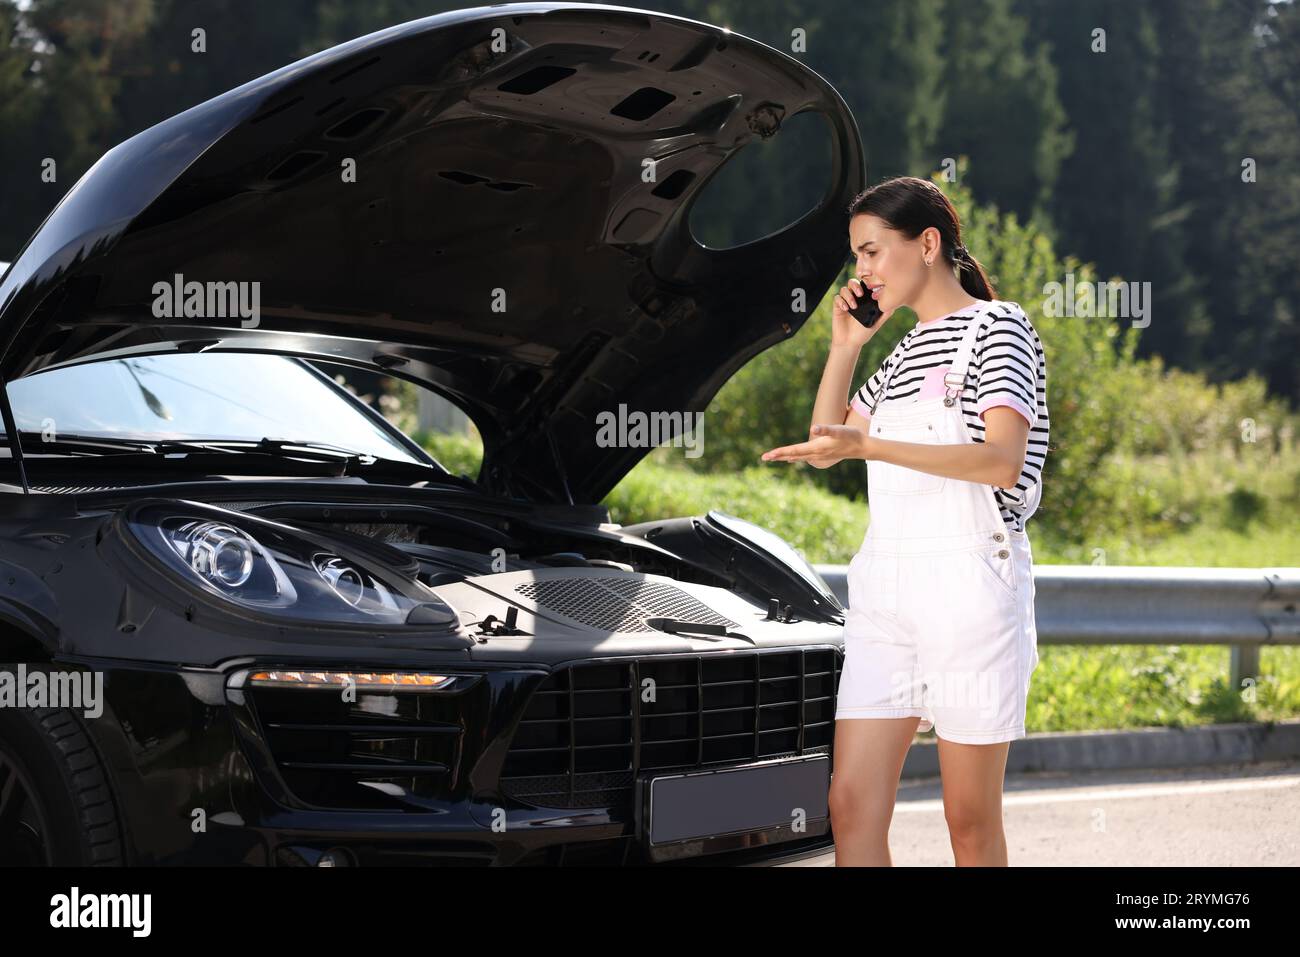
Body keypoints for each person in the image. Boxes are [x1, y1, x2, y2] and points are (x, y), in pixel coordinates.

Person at [760, 175, 1050, 866]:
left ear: (927, 244)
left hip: (969, 591)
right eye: (856, 256)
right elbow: (829, 442)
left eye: (871, 251)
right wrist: (845, 345)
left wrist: (870, 446)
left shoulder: (999, 328)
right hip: (887, 595)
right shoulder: (898, 354)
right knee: (850, 805)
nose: (861, 271)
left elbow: (1001, 461)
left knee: (968, 820)